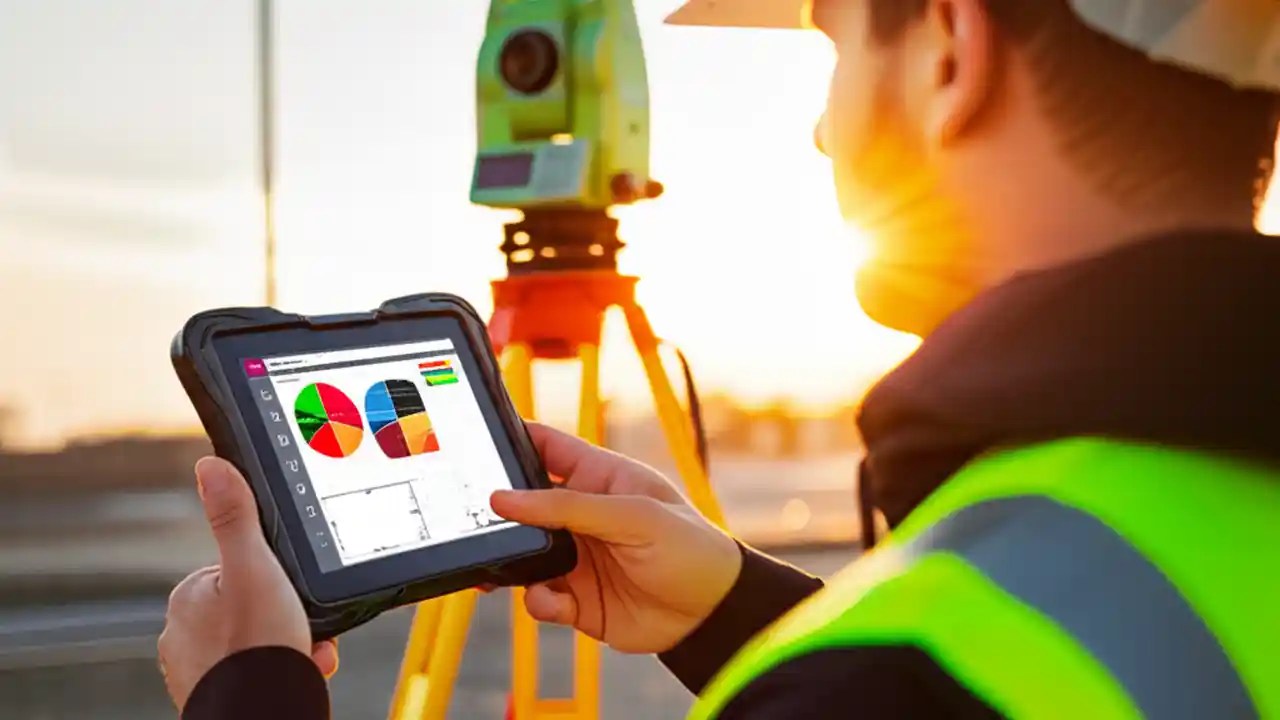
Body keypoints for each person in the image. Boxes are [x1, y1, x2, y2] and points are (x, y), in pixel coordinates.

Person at [161, 0, 1280, 717]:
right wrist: (733, 608)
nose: (820, 131)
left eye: (834, 48)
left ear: (949, 48)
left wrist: (246, 698)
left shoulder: (895, 682)